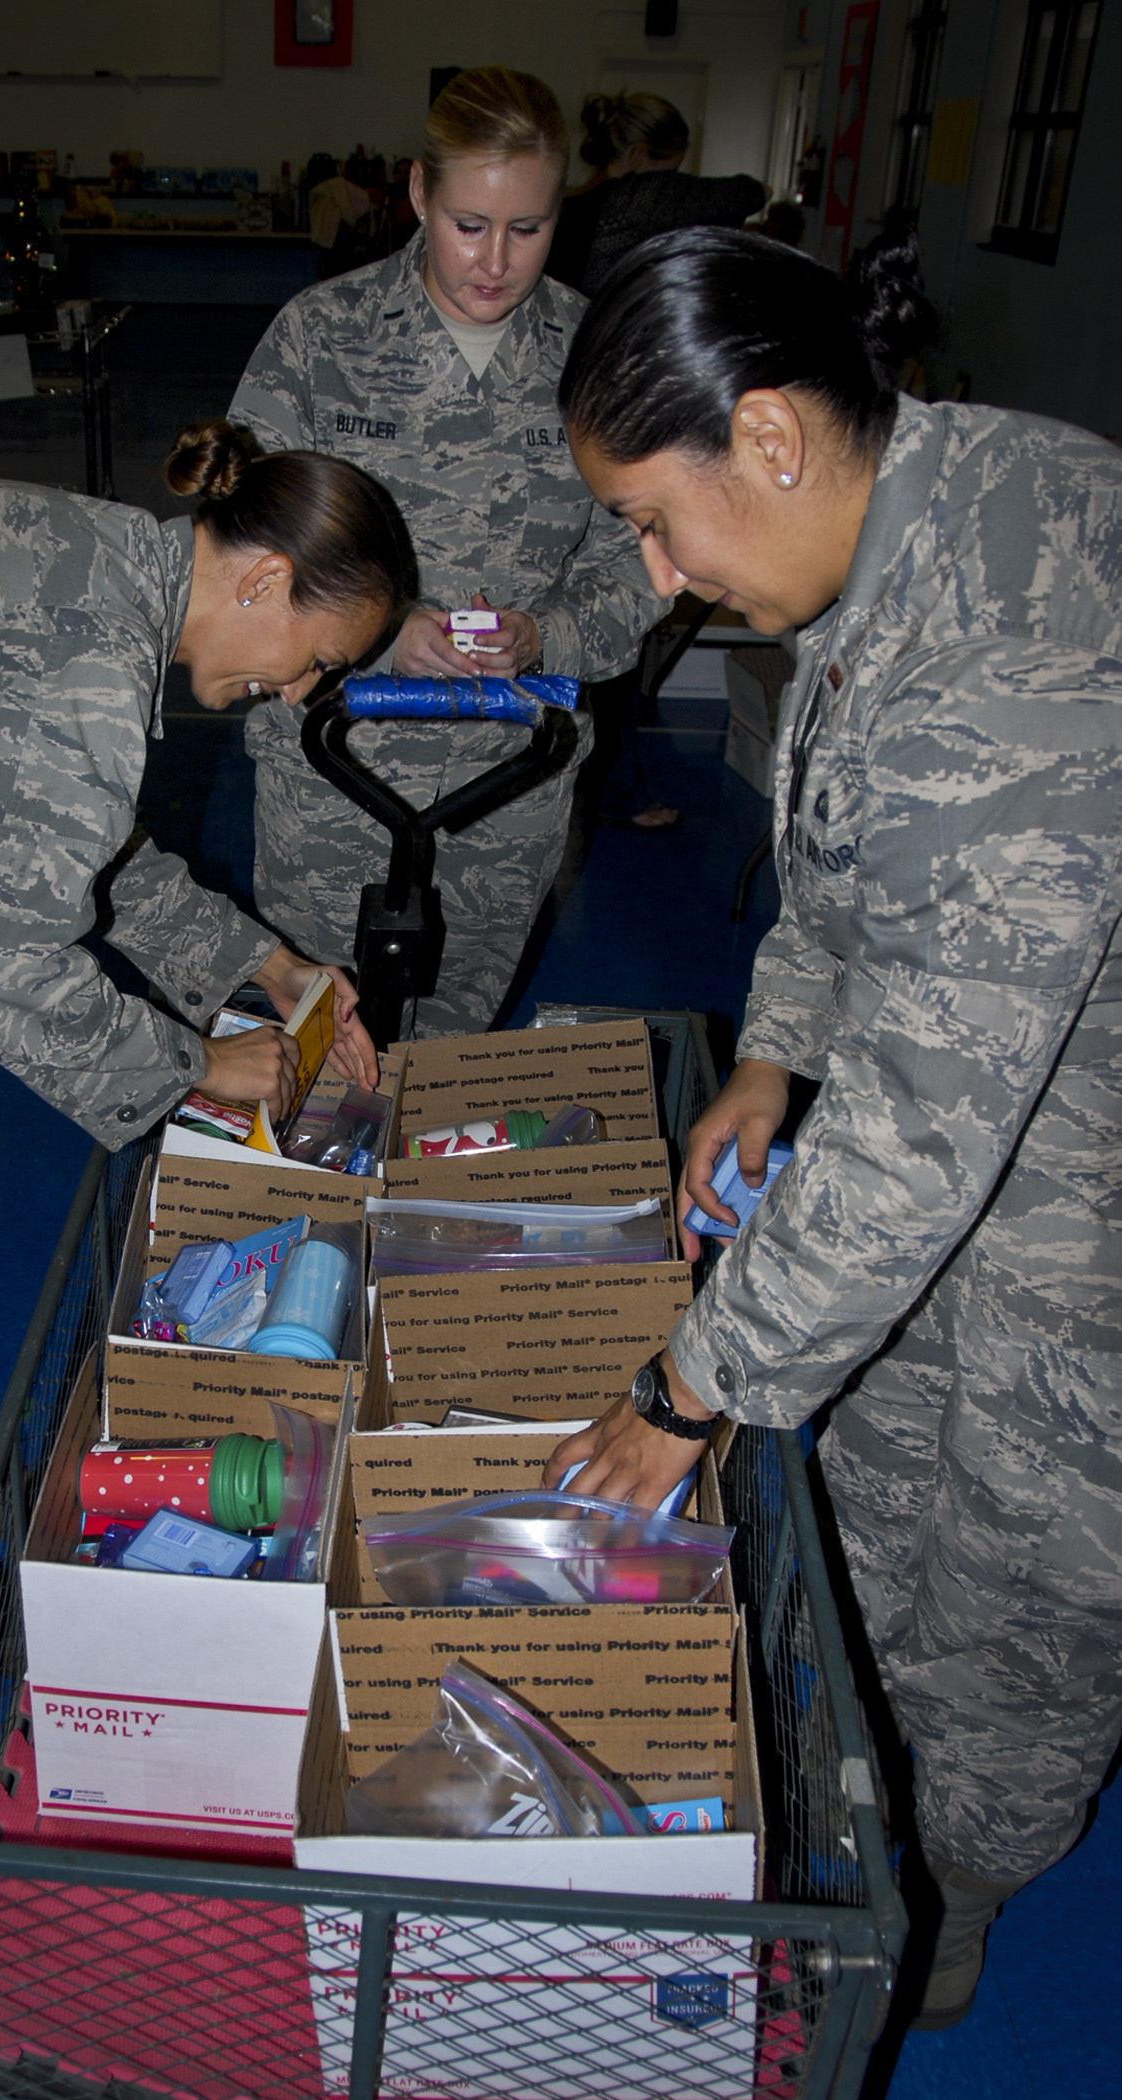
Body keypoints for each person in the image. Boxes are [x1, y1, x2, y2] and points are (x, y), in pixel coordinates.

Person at [547, 223, 1122, 2029]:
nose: (655, 576)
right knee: (869, 1489)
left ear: (772, 438)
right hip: (956, 1099)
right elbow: (850, 862)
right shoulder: (895, 520)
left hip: (1078, 1207)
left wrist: (679, 1388)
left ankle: (949, 1902)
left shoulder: (1019, 658)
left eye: (656, 519)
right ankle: (869, 1808)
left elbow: (916, 1153)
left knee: (1026, 1583)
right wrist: (775, 1048)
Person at [0, 420, 414, 1658]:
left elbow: (79, 847)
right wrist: (195, 1065)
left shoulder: (119, 571)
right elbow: (8, 976)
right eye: (313, 660)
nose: (298, 692)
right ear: (264, 581)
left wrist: (261, 962)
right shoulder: (94, 671)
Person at [229, 64, 665, 1037]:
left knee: (450, 1045)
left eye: (528, 228)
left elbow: (642, 564)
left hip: (507, 778)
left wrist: (546, 633)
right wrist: (380, 632)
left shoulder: (595, 357)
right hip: (332, 760)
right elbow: (244, 556)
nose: (493, 262)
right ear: (418, 194)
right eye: (468, 223)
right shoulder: (319, 339)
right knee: (318, 1042)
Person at [546, 92, 765, 298]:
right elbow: (753, 192)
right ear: (639, 155)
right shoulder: (634, 200)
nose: (672, 185)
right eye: (669, 174)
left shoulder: (567, 201)